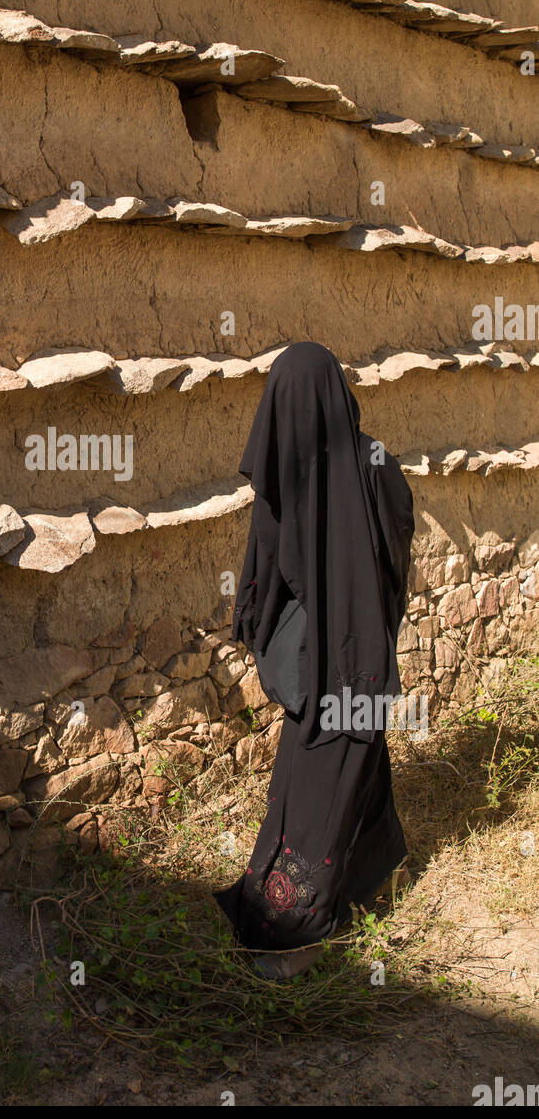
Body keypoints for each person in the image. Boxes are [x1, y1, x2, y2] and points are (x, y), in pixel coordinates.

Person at [214, 342, 415, 978]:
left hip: (315, 671)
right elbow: (399, 532)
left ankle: (292, 938)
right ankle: (367, 882)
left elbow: (266, 571)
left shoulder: (288, 472)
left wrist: (260, 625)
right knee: (348, 769)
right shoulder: (374, 460)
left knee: (312, 800)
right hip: (363, 663)